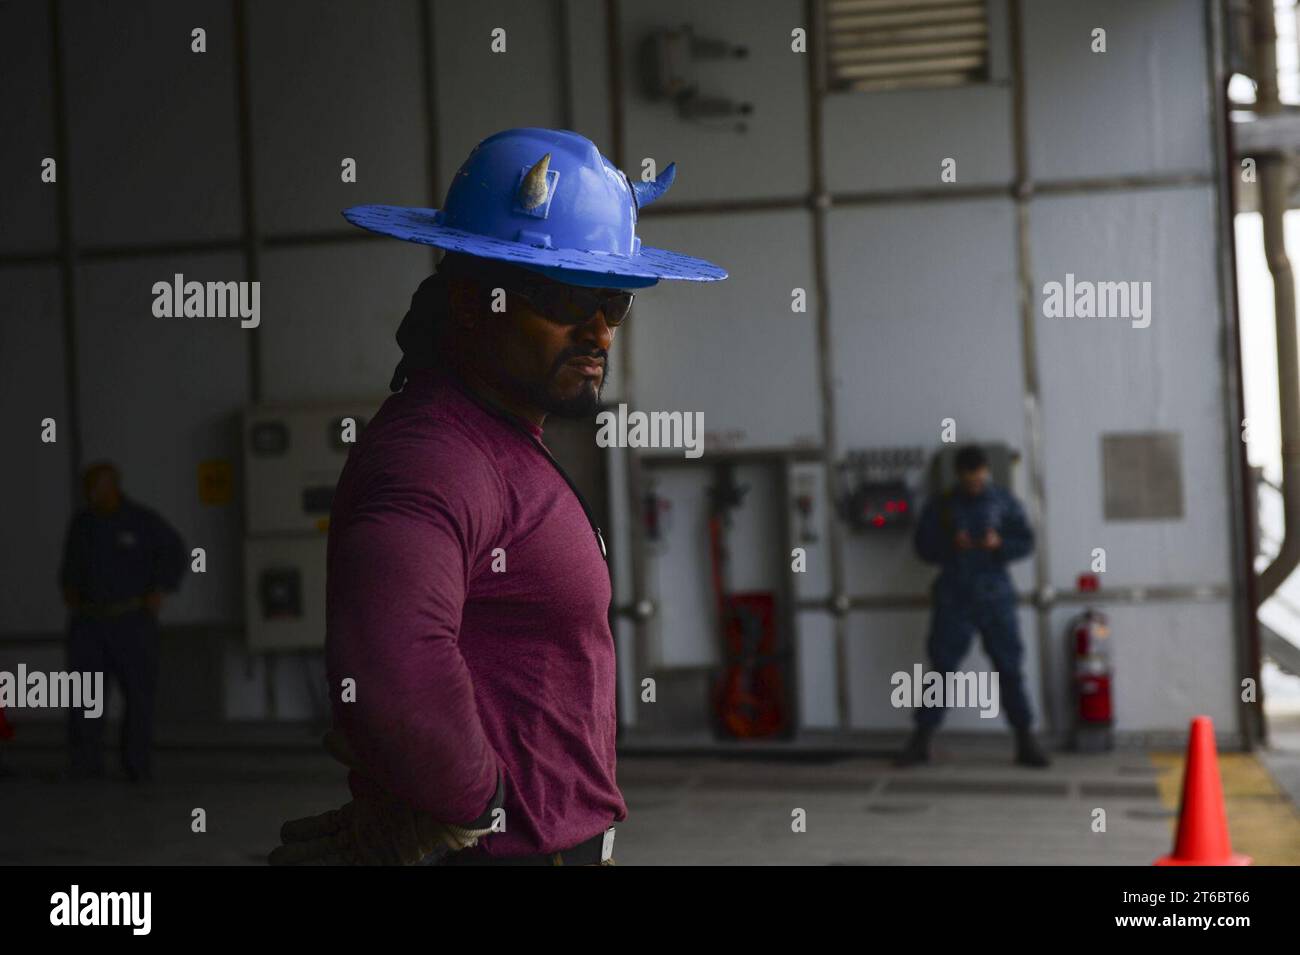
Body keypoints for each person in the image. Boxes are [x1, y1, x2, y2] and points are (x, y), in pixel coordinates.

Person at [268, 127, 727, 866]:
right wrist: (469, 807)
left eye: (614, 300)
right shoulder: (436, 457)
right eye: (567, 297)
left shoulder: (498, 439)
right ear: (474, 301)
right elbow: (391, 662)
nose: (600, 330)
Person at [896, 445, 1050, 768]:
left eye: (980, 480)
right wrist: (951, 546)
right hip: (955, 597)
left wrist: (1000, 546)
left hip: (995, 598)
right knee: (941, 670)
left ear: (986, 472)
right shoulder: (942, 506)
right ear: (959, 475)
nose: (976, 485)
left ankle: (1025, 740)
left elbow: (1027, 542)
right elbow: (923, 547)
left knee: (1009, 669)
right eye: (971, 481)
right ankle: (921, 740)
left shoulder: (1004, 501)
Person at [59, 462, 187, 781]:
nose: (89, 494)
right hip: (89, 624)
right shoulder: (82, 524)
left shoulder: (142, 521)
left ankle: (137, 766)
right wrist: (69, 588)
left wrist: (160, 588)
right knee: (85, 697)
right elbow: (70, 565)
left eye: (95, 487)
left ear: (112, 487)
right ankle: (85, 765)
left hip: (132, 623)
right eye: (87, 488)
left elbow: (175, 553)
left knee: (139, 698)